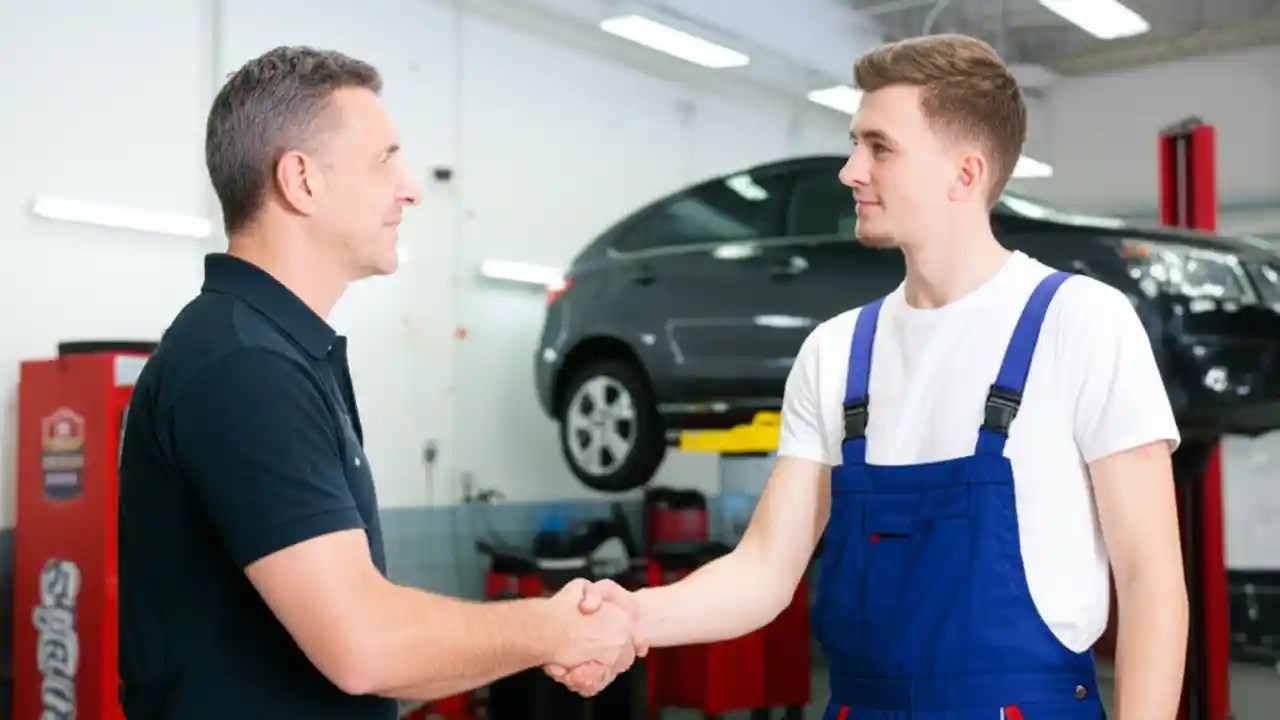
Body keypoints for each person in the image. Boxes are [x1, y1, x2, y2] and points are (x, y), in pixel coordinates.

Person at [553, 33, 1190, 718]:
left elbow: (1150, 580)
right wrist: (631, 615)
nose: (851, 170)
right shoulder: (835, 351)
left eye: (879, 148)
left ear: (965, 174)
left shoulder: (1082, 323)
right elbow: (764, 570)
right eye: (857, 143)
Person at [117, 46, 643, 719]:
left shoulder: (273, 350)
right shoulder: (242, 366)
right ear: (301, 181)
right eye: (384, 160)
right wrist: (558, 629)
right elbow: (366, 646)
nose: (411, 187)